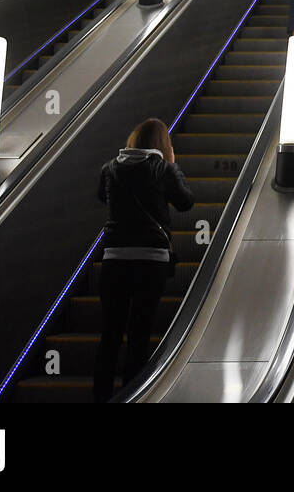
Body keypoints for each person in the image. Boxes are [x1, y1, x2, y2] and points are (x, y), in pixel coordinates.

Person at [93, 118, 194, 402]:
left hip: (114, 260)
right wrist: (173, 165)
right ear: (163, 145)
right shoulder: (162, 169)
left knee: (110, 335)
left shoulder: (110, 168)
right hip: (151, 261)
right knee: (138, 334)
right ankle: (130, 396)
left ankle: (99, 398)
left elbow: (103, 197)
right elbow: (186, 201)